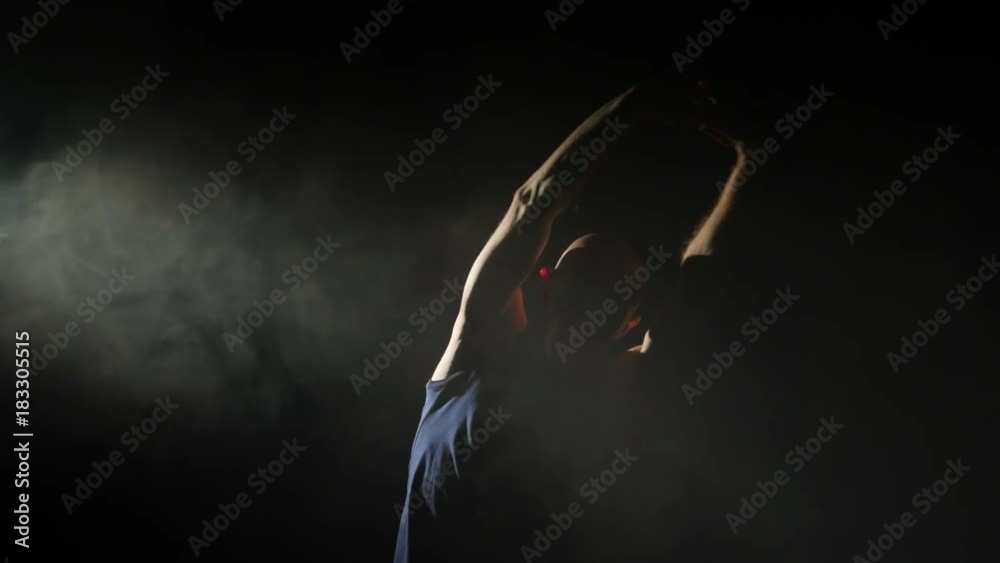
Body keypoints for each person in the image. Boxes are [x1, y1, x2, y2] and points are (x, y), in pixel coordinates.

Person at [392, 82, 751, 563]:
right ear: (547, 281)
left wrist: (748, 165)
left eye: (608, 286)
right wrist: (624, 109)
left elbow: (693, 294)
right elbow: (529, 206)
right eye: (579, 276)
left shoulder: (617, 388)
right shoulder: (479, 354)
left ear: (633, 319)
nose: (587, 294)